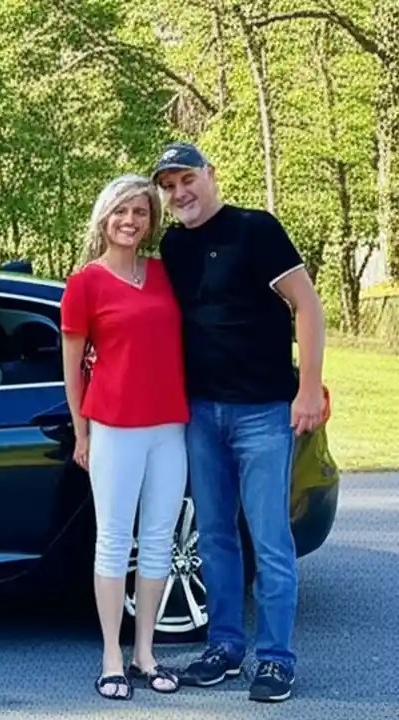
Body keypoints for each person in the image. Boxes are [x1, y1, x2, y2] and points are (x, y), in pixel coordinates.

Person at [152, 142, 327, 704]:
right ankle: (224, 648)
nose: (180, 193)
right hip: (201, 412)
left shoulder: (256, 229)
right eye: (169, 186)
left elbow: (308, 306)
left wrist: (306, 390)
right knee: (217, 538)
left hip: (264, 413)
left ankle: (275, 660)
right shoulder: (173, 245)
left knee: (270, 539)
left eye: (187, 180)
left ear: (210, 175)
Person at [60, 174, 190, 701]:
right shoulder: (84, 283)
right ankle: (111, 655)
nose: (130, 221)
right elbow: (72, 365)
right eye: (121, 212)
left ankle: (145, 653)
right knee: (114, 540)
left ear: (150, 220)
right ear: (104, 218)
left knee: (159, 539)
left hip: (169, 426)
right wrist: (81, 431)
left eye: (140, 212)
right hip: (113, 427)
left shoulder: (164, 274)